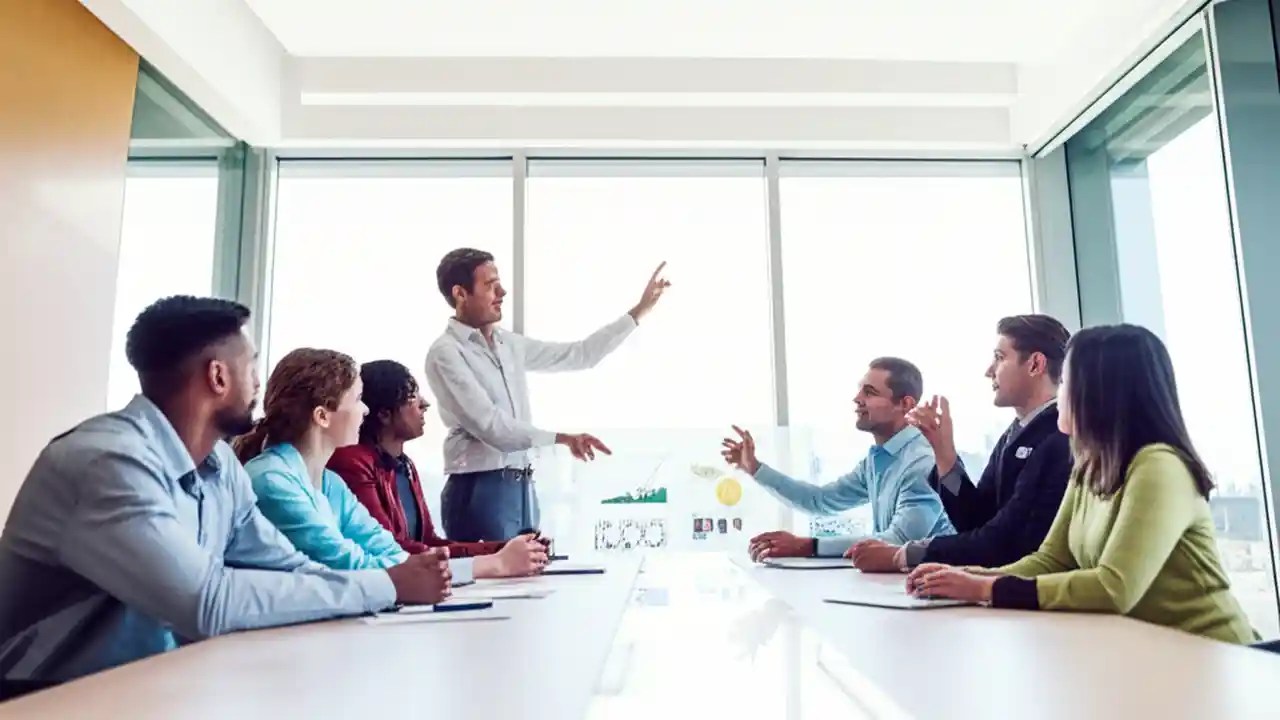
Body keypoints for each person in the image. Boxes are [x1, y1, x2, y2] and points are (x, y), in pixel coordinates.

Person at [0, 297, 449, 696]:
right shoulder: (109, 464)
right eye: (251, 366)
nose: (259, 383)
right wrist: (387, 585)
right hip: (43, 696)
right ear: (218, 375)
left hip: (153, 682)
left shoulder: (219, 465)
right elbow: (207, 603)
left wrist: (380, 592)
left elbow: (290, 566)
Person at [907, 324, 1258, 644]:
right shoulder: (1089, 465)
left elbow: (1114, 586)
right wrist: (964, 576)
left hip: (1217, 657)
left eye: (1069, 381)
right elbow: (1050, 560)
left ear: (1101, 392)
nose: (1060, 392)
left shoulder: (1158, 465)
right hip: (1148, 652)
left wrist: (985, 587)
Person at [235, 350, 546, 582]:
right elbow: (349, 565)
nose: (366, 409)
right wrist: (491, 565)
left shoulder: (329, 483)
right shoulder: (273, 481)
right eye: (357, 399)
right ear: (322, 416)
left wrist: (491, 561)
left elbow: (390, 552)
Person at [426, 248, 669, 542]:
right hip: (480, 487)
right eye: (491, 285)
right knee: (490, 583)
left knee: (528, 580)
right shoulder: (446, 353)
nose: (502, 292)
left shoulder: (508, 344)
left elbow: (580, 355)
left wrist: (639, 312)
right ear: (460, 293)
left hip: (522, 486)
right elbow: (491, 427)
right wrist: (562, 438)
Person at [848, 315, 1073, 572]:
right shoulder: (1013, 435)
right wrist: (945, 456)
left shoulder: (1059, 438)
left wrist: (904, 555)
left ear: (1035, 364)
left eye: (999, 358)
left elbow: (1005, 543)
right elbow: (976, 522)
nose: (989, 370)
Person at [723, 358, 955, 560]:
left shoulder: (922, 461)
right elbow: (820, 499)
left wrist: (807, 546)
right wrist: (754, 468)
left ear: (905, 404)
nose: (857, 399)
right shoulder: (877, 461)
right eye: (859, 391)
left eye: (870, 392)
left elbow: (897, 541)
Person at [329, 360, 545, 565]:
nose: (425, 404)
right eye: (412, 397)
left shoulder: (405, 466)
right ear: (384, 414)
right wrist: (494, 560)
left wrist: (505, 548)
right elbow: (390, 548)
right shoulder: (352, 462)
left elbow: (429, 542)